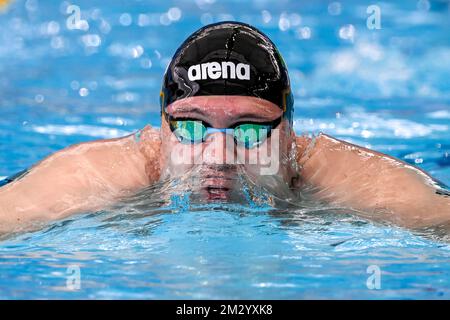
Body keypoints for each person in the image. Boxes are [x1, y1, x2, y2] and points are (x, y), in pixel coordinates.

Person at [0, 21, 449, 233]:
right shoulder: (104, 173)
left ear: (290, 135)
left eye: (250, 131)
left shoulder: (339, 175)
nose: (219, 156)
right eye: (192, 129)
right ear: (161, 129)